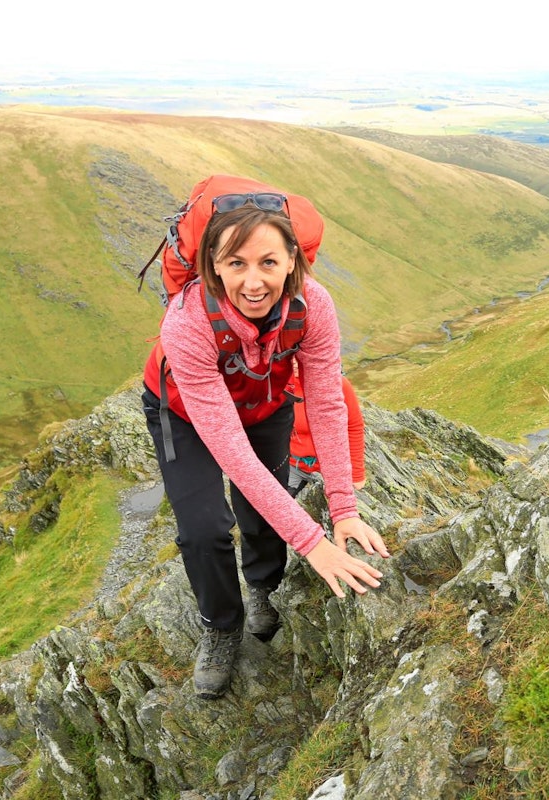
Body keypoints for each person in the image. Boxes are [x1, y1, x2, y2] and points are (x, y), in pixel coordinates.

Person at [141, 192, 389, 699]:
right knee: (203, 527)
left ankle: (263, 587)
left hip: (266, 400)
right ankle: (220, 624)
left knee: (262, 511)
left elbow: (326, 403)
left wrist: (343, 510)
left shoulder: (313, 305)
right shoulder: (188, 321)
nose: (253, 282)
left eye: (268, 262)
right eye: (236, 263)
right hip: (185, 414)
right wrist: (315, 546)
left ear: (292, 260)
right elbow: (230, 450)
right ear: (213, 264)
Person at [288, 373, 366, 497]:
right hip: (294, 466)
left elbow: (354, 427)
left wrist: (357, 474)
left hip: (333, 467)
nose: (296, 361)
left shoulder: (338, 384)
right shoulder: (281, 385)